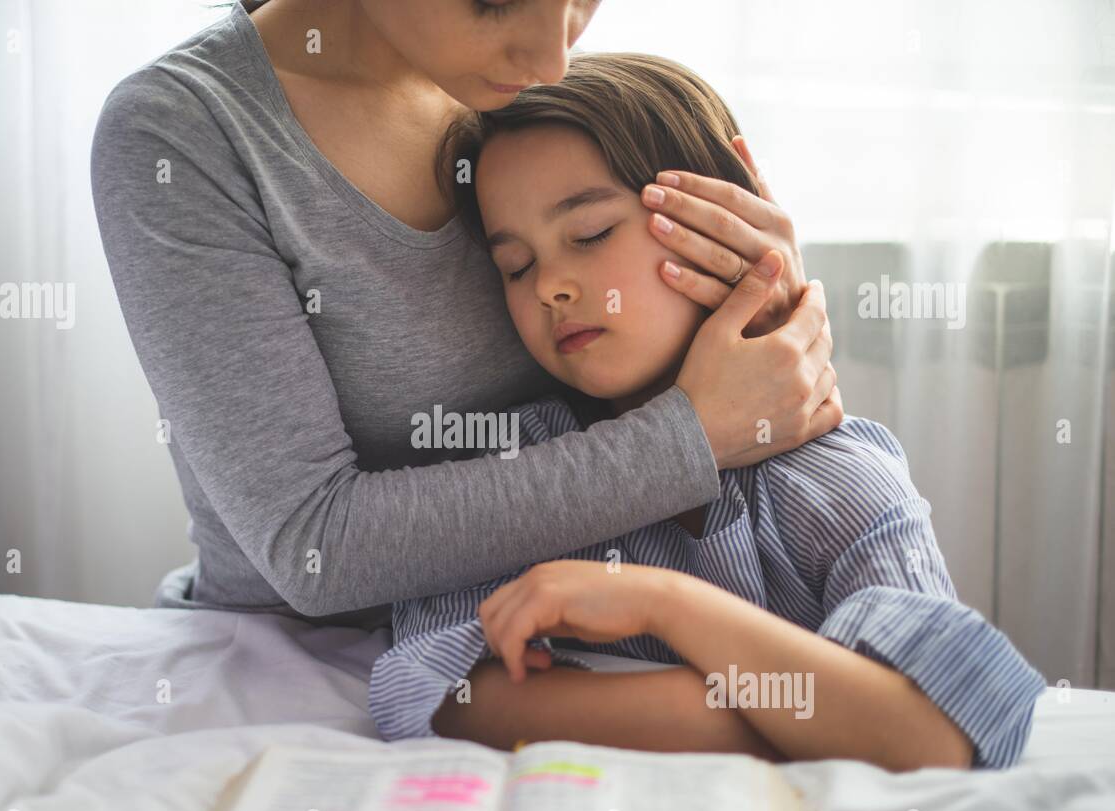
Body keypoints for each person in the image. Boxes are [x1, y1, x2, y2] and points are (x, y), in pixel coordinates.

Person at [368, 53, 1046, 772]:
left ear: (731, 205)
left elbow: (934, 732)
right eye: (516, 265)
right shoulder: (516, 467)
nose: (550, 288)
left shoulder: (831, 475)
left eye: (591, 233)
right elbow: (451, 699)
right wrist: (814, 721)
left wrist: (662, 602)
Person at [91, 0, 840, 627]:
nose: (553, 58)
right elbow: (312, 546)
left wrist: (762, 323)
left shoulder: (517, 85)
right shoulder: (183, 132)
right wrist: (696, 435)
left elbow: (679, 389)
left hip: (568, 641)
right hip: (304, 668)